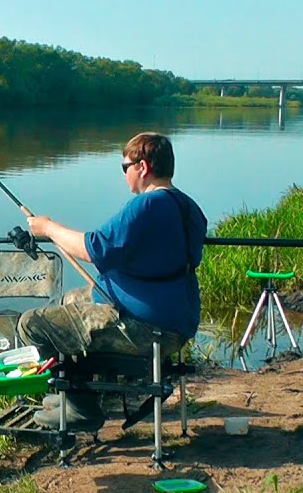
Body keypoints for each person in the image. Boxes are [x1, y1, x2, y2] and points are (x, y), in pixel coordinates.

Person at [18, 132, 207, 432]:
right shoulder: (189, 207)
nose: (124, 175)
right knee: (71, 301)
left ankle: (82, 408)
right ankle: (71, 393)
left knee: (31, 323)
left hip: (145, 329)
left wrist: (48, 228)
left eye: (125, 167)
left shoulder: (145, 207)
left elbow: (93, 249)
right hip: (180, 323)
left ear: (142, 167)